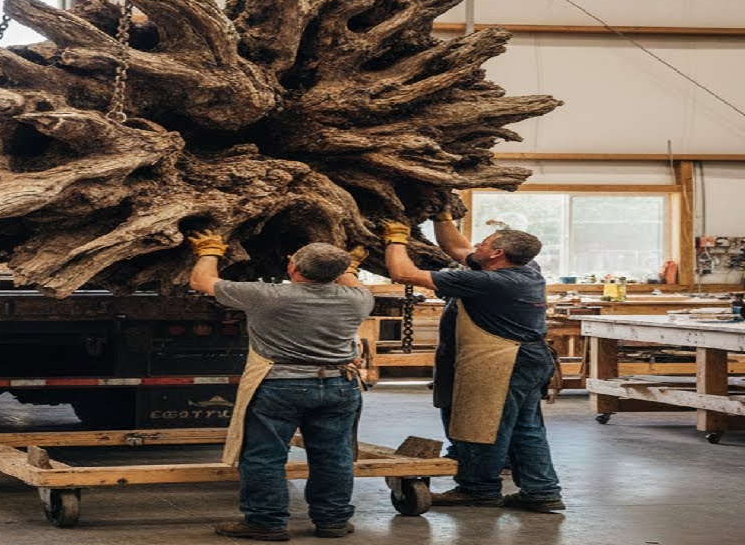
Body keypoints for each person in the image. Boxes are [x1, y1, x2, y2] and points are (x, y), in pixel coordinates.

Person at [188, 231, 374, 541]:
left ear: (293, 269)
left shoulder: (266, 295)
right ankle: (332, 521)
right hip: (340, 387)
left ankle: (266, 521)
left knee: (265, 455)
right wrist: (349, 263)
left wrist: (210, 250)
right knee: (335, 455)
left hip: (280, 386)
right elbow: (351, 278)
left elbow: (201, 281)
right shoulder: (359, 299)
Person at [382, 215, 564, 513]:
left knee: (484, 426)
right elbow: (456, 248)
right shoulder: (527, 268)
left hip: (504, 361)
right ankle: (541, 491)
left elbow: (402, 272)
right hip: (530, 360)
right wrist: (442, 216)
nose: (477, 243)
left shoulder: (489, 281)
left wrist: (396, 236)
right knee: (525, 428)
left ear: (496, 255)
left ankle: (478, 489)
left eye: (485, 243)